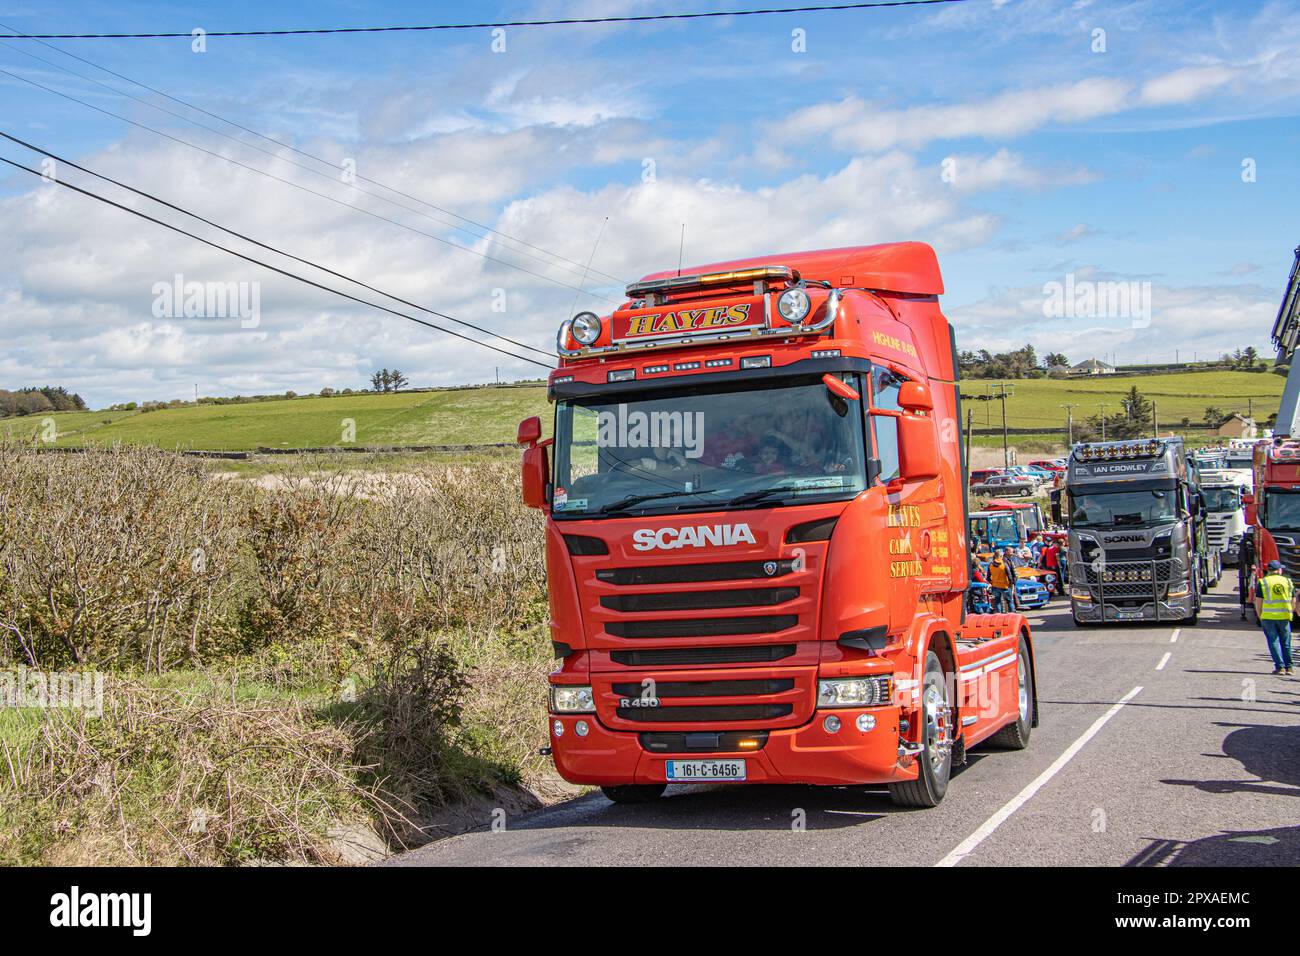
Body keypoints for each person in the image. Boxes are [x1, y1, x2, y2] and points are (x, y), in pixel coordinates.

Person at [1255, 560, 1295, 676]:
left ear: (1269, 571)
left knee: (1273, 642)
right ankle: (1289, 667)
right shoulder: (1288, 581)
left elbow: (1258, 602)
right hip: (1284, 617)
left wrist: (1260, 616)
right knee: (1286, 642)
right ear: (1279, 570)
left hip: (1268, 617)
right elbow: (1293, 599)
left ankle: (1280, 667)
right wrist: (1290, 612)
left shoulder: (1263, 582)